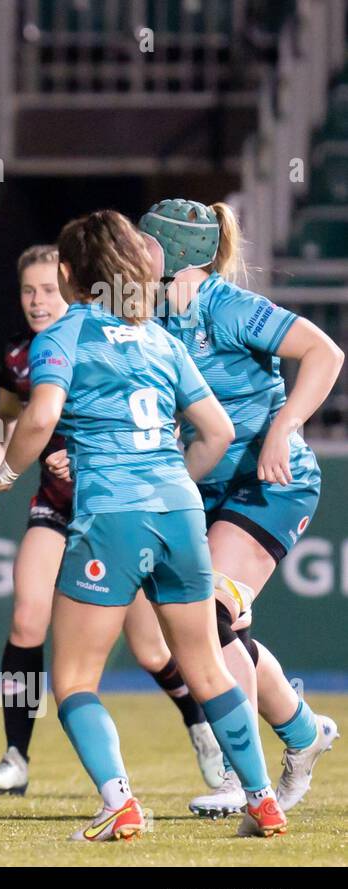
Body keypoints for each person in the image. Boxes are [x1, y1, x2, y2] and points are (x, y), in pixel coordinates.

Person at [0, 209, 287, 840]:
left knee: (74, 680)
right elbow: (219, 431)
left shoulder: (63, 336)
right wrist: (174, 479)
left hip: (111, 518)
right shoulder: (161, 339)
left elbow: (37, 420)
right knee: (207, 668)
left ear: (65, 273)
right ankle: (262, 799)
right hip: (180, 512)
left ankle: (120, 801)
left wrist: (1, 478)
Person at [0, 245, 223, 796]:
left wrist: (79, 457)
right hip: (60, 506)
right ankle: (16, 758)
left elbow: (167, 415)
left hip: (116, 509)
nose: (37, 302)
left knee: (154, 650)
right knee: (26, 621)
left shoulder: (119, 336)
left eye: (47, 290)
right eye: (27, 291)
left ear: (72, 284)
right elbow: (8, 417)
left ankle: (199, 724)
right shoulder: (21, 353)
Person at [134, 198, 344, 817]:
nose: (131, 252)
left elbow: (325, 352)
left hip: (271, 483)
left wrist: (284, 428)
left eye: (143, 243)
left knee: (213, 616)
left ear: (171, 254)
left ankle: (236, 774)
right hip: (203, 491)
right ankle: (303, 733)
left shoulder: (226, 306)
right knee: (212, 628)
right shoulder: (145, 313)